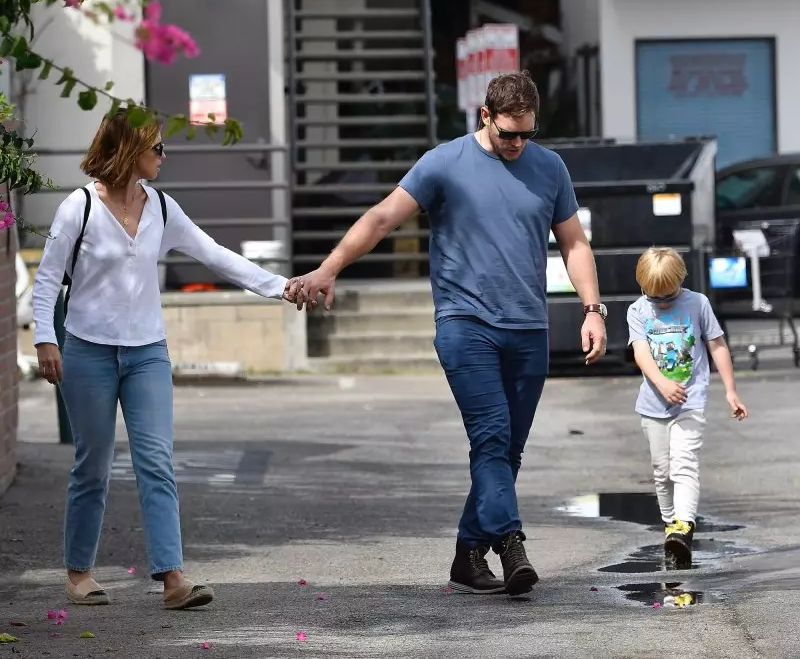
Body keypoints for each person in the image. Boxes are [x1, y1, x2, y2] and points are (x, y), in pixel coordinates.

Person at [287, 71, 607, 597]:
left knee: (507, 452)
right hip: (465, 324)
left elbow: (573, 243)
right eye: (509, 134)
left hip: (528, 327)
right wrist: (329, 267)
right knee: (491, 437)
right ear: (485, 117)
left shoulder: (549, 167)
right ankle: (511, 544)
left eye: (528, 133)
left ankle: (466, 553)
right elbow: (383, 217)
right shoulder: (444, 162)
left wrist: (593, 309)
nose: (518, 144)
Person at [32, 109, 291, 609]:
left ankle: (173, 578)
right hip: (87, 349)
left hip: (148, 351)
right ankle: (79, 572)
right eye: (157, 148)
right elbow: (47, 280)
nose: (163, 156)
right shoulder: (78, 207)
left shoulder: (163, 209)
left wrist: (281, 287)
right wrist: (46, 339)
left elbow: (216, 255)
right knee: (93, 464)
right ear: (131, 150)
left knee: (156, 461)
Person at [626, 247, 748, 565]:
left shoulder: (698, 303)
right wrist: (663, 383)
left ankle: (683, 526)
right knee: (662, 471)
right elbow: (640, 352)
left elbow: (717, 345)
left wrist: (731, 391)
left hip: (690, 401)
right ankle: (671, 526)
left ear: (682, 279)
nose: (663, 303)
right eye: (656, 297)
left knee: (684, 463)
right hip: (653, 403)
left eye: (669, 295)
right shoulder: (637, 310)